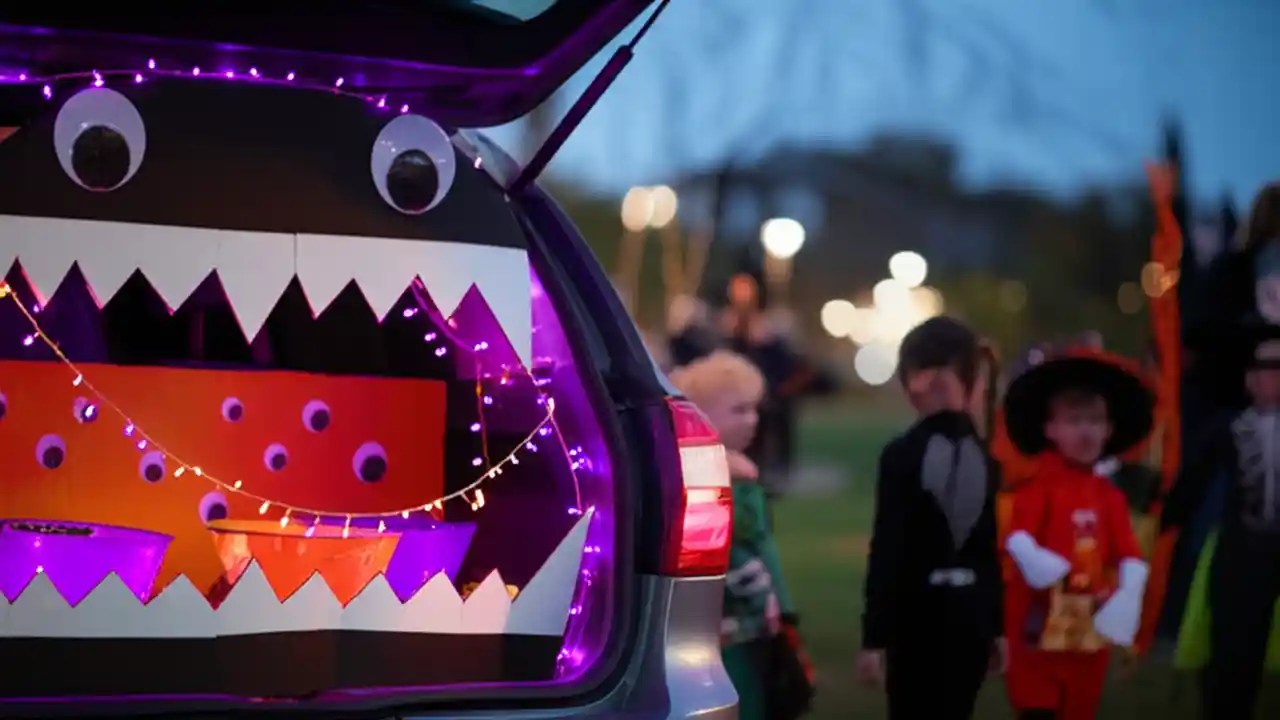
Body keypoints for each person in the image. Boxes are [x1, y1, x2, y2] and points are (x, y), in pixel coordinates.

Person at [857, 316, 1006, 720]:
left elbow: (887, 550)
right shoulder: (987, 457)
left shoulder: (903, 454)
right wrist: (996, 627)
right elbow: (987, 554)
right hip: (964, 619)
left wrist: (874, 638)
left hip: (919, 622)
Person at [1000, 348, 1154, 720]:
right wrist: (1038, 561)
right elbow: (1016, 538)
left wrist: (1129, 592)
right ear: (1050, 429)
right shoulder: (1037, 489)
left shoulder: (1110, 497)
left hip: (1088, 634)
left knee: (1079, 708)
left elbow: (1129, 554)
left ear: (1109, 430)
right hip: (1037, 632)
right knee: (1038, 709)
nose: (1085, 430)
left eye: (1095, 420)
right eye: (1073, 420)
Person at [668, 350, 811, 720]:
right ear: (699, 414)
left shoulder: (742, 469)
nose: (753, 420)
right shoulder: (699, 474)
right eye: (738, 410)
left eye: (755, 409)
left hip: (757, 624)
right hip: (722, 630)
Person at [1160, 322, 1280, 719]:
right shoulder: (1229, 429)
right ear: (1249, 377)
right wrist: (1161, 521)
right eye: (1269, 366)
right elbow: (1190, 483)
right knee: (1231, 659)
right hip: (1241, 557)